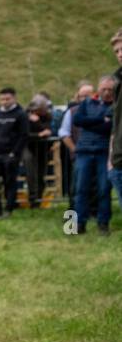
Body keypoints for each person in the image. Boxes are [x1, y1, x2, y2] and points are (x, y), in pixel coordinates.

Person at [73, 75, 114, 235]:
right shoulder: (86, 103)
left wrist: (89, 123)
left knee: (104, 189)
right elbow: (78, 120)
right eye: (104, 89)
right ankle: (78, 224)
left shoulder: (115, 106)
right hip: (84, 151)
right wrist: (99, 120)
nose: (107, 92)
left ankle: (103, 223)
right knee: (80, 189)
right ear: (98, 88)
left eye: (110, 89)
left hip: (104, 152)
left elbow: (109, 127)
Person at [0, 87, 28, 219]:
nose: (4, 101)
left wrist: (14, 153)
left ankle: (8, 209)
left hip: (10, 155)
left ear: (14, 98)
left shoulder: (20, 114)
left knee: (9, 183)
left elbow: (23, 135)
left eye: (7, 99)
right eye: (2, 99)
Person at [24, 93, 54, 208]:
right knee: (31, 174)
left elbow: (48, 132)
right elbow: (25, 134)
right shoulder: (25, 117)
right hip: (28, 148)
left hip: (42, 149)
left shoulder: (47, 116)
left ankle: (39, 199)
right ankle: (32, 199)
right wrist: (39, 134)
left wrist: (37, 123)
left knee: (41, 175)